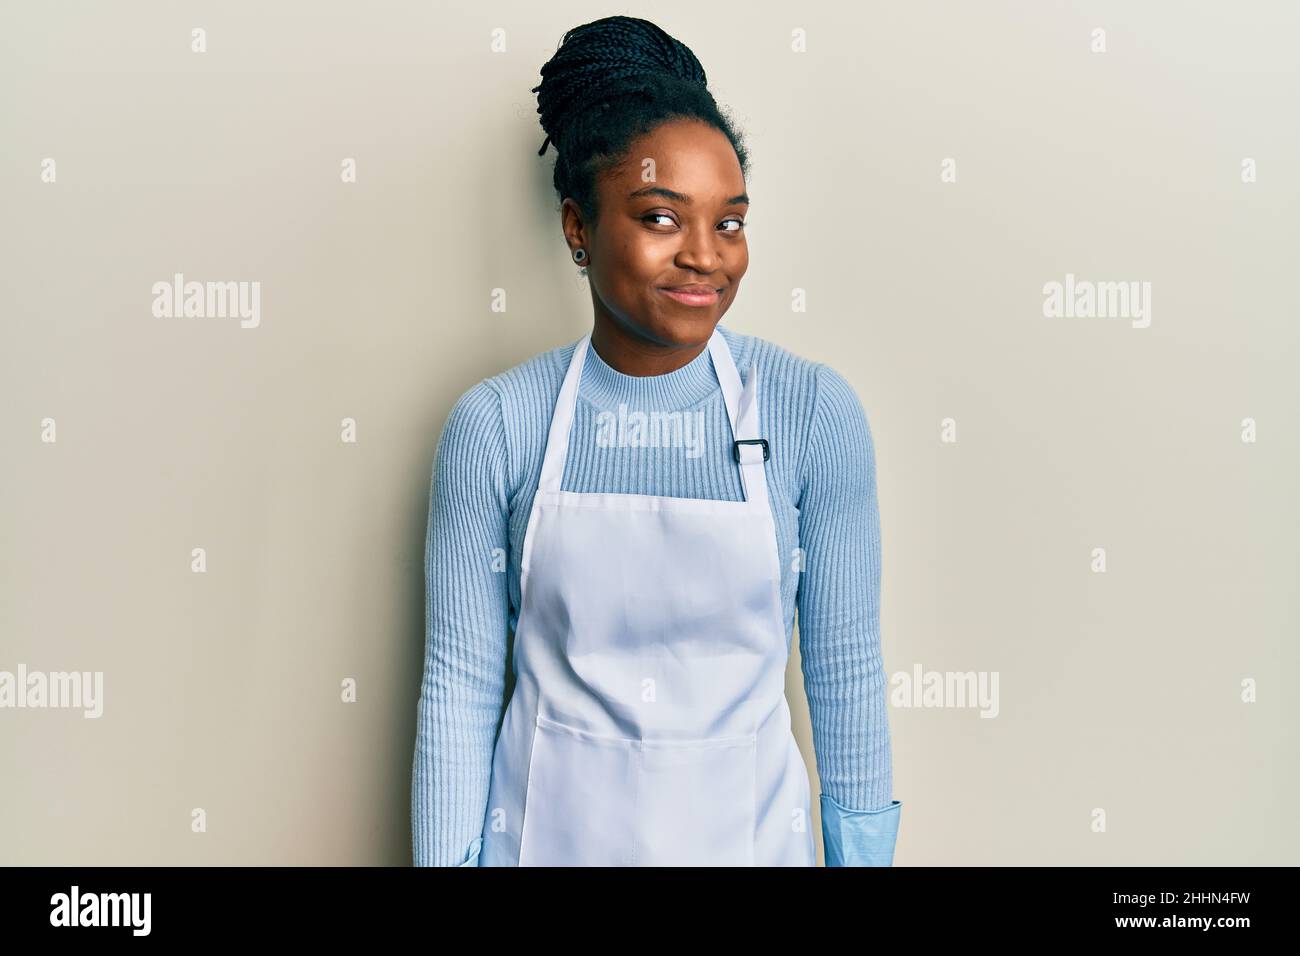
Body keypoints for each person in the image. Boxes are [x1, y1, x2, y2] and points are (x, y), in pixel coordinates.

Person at [411, 14, 901, 867]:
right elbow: (458, 688)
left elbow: (847, 672)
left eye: (731, 222)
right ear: (578, 228)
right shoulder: (498, 427)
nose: (705, 258)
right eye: (662, 218)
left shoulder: (811, 414)